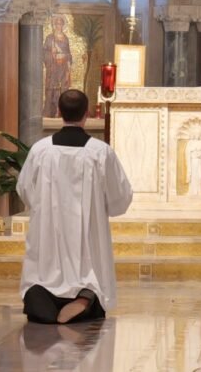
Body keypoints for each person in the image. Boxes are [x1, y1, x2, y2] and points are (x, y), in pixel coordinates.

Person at [18, 89, 133, 324]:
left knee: (40, 281)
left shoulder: (41, 150)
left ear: (58, 112)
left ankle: (44, 301)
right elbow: (120, 196)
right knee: (88, 279)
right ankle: (85, 298)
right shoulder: (100, 153)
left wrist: (43, 206)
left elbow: (24, 190)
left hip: (49, 231)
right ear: (87, 114)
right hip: (87, 236)